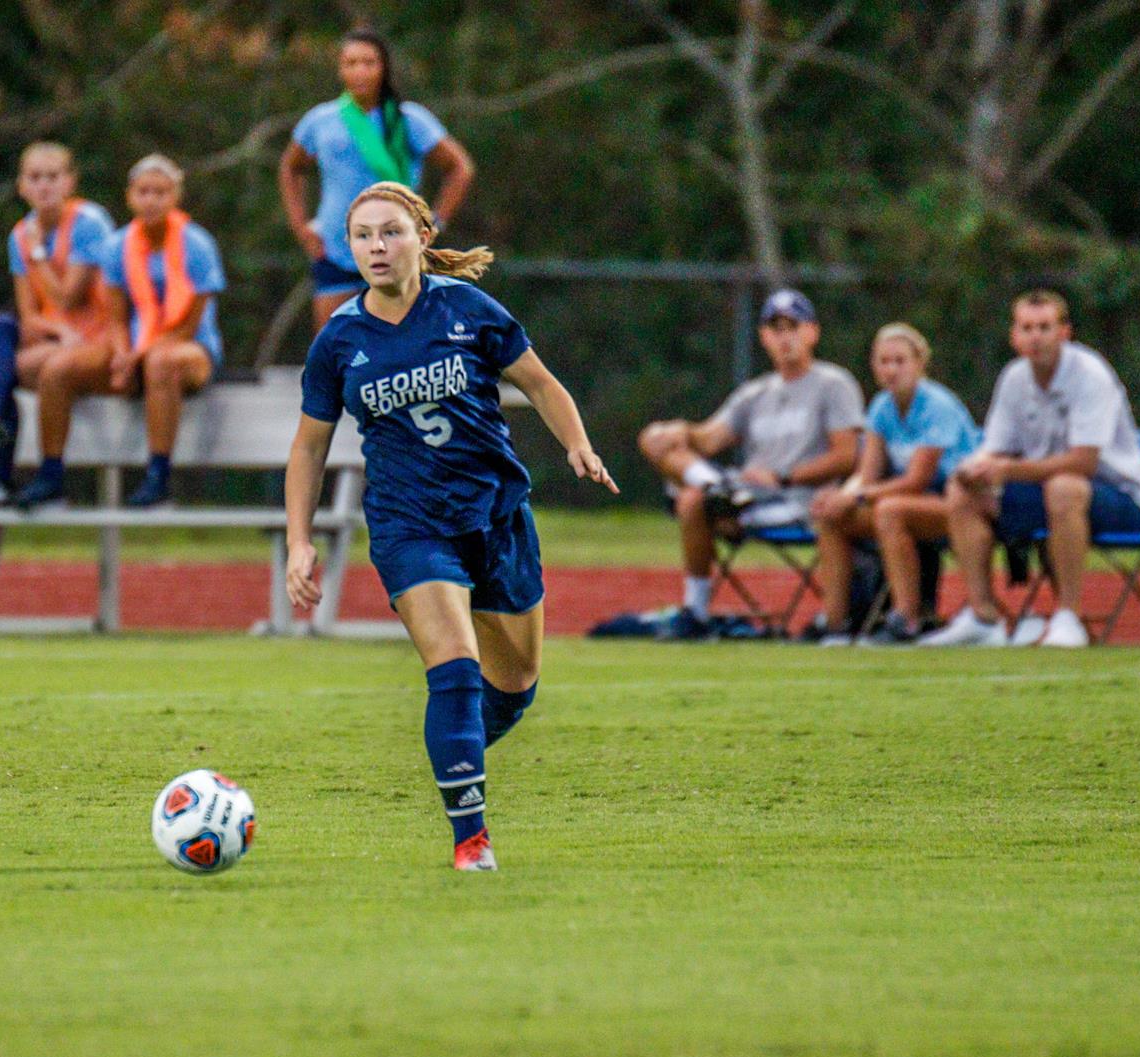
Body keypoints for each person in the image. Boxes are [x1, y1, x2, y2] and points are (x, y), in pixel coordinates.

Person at [285, 181, 616, 872]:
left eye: (391, 232)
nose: (377, 246)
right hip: (411, 525)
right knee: (455, 668)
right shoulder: (339, 338)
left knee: (517, 683)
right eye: (363, 235)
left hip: (496, 513)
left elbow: (542, 383)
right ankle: (472, 838)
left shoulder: (468, 308)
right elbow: (309, 446)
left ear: (422, 236)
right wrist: (297, 541)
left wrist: (576, 443)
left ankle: (454, 749)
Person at [920, 290, 1140, 649]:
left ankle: (1068, 618)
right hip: (1048, 493)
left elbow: (1084, 462)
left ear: (1065, 332)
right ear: (1014, 336)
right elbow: (995, 449)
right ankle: (983, 616)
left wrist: (1007, 471)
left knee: (1065, 486)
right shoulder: (1014, 378)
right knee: (962, 489)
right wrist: (974, 469)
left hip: (1118, 497)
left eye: (1045, 327)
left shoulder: (1090, 375)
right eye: (1027, 328)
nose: (1035, 336)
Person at [634, 289, 863, 638]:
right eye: (776, 328)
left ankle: (717, 488)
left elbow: (847, 455)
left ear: (812, 331)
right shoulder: (755, 393)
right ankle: (696, 610)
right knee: (674, 465)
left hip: (801, 501)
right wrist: (675, 431)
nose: (785, 337)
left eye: (793, 326)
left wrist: (783, 477)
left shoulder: (833, 384)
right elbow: (708, 439)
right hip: (747, 498)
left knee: (697, 496)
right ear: (763, 337)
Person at [279, 29, 476, 334]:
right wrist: (300, 225)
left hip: (398, 249)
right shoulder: (321, 121)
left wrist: (436, 223)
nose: (359, 71)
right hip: (336, 248)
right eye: (351, 63)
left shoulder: (408, 119)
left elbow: (459, 167)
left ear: (383, 67)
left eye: (368, 63)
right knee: (335, 349)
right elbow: (291, 168)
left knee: (402, 346)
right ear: (340, 68)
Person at [0, 141, 115, 508]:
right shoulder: (19, 235)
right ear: (21, 186)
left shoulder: (89, 223)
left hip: (99, 338)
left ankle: (26, 476)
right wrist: (55, 331)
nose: (44, 186)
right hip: (58, 338)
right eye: (35, 178)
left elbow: (67, 298)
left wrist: (39, 254)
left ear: (70, 183)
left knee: (12, 369)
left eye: (53, 177)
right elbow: (30, 314)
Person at [806, 323, 979, 645]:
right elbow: (867, 473)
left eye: (900, 361)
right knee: (831, 516)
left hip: (962, 506)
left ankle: (906, 619)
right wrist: (842, 496)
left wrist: (857, 496)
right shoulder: (881, 407)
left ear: (919, 364)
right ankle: (836, 624)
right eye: (884, 362)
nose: (892, 369)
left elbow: (917, 480)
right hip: (914, 503)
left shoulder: (936, 405)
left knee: (890, 510)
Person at [76, 154, 226, 510]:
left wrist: (138, 356)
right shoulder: (116, 246)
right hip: (138, 349)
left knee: (161, 361)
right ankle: (49, 476)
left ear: (175, 197)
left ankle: (159, 476)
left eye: (161, 192)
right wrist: (121, 355)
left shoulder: (198, 245)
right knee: (61, 369)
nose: (152, 200)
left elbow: (189, 326)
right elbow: (114, 318)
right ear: (130, 196)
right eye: (144, 191)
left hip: (192, 349)